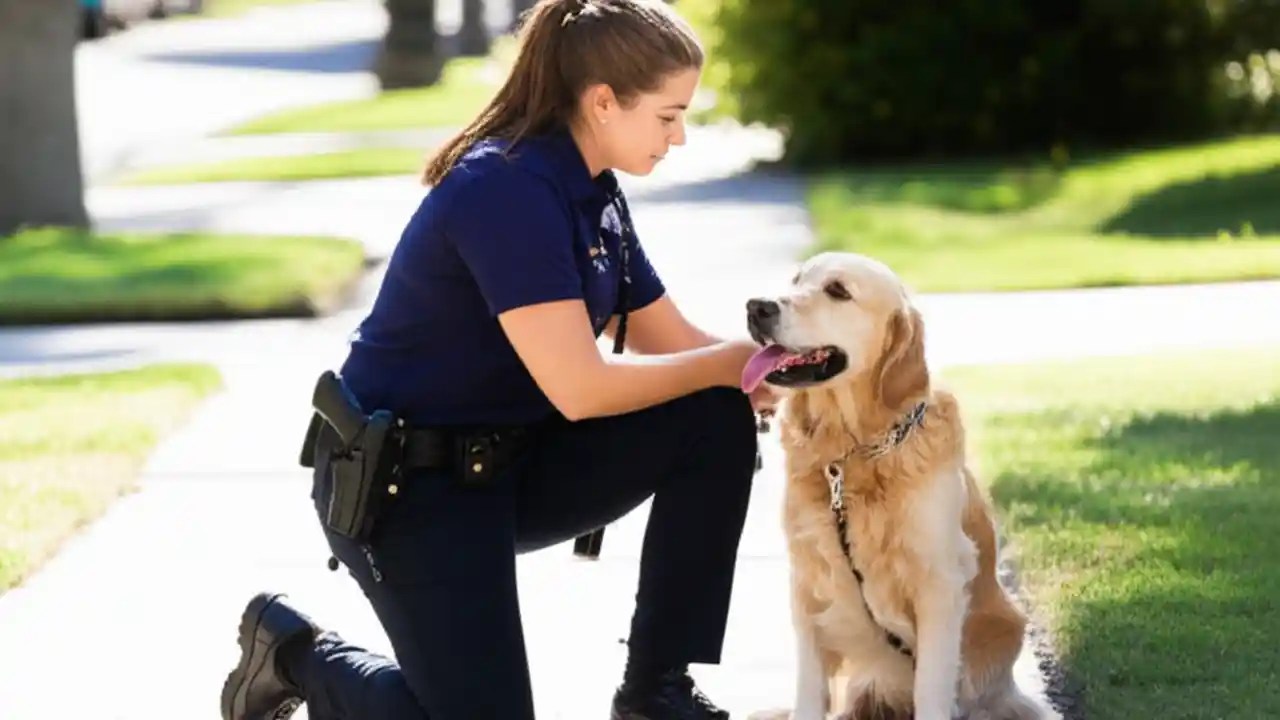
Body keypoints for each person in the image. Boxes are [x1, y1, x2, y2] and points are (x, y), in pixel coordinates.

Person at [220, 1, 777, 718]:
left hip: (510, 468)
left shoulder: (594, 188)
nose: (680, 137)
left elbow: (676, 343)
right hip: (408, 491)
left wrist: (773, 368)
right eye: (668, 117)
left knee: (715, 417)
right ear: (603, 101)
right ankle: (295, 654)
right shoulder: (504, 188)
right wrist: (727, 367)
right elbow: (581, 388)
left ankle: (655, 694)